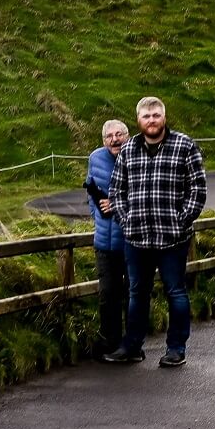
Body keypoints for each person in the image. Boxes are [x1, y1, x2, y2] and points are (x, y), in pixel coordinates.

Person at [105, 95, 207, 369]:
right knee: (137, 292)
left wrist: (182, 220)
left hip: (172, 237)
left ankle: (176, 348)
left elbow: (198, 189)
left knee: (175, 291)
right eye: (146, 116)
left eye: (156, 115)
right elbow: (116, 191)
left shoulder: (184, 145)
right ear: (138, 120)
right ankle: (132, 347)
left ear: (164, 117)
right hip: (137, 238)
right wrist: (127, 221)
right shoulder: (128, 151)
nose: (152, 121)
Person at [83, 119, 131, 358]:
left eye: (119, 134)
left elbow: (148, 193)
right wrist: (97, 215)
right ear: (104, 141)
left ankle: (132, 345)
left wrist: (118, 204)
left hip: (132, 240)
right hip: (104, 241)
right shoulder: (95, 158)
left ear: (127, 136)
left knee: (133, 293)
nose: (115, 139)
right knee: (107, 294)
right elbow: (90, 189)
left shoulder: (139, 157)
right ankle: (110, 342)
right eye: (109, 136)